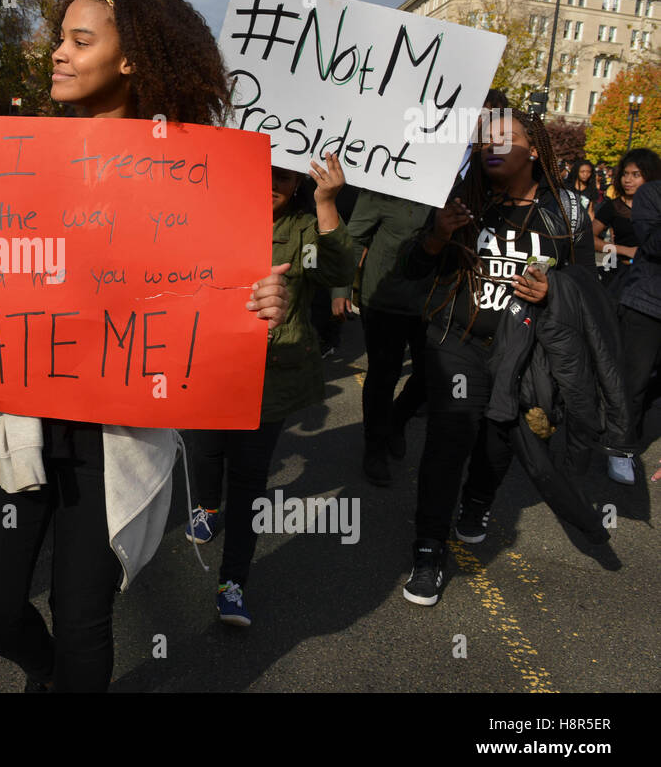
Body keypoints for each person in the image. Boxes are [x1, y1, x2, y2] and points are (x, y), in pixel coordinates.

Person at [0, 0, 290, 691]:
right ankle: (46, 673)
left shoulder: (192, 171)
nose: (57, 54)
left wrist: (257, 303)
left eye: (79, 39)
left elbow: (216, 284)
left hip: (115, 430)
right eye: (57, 40)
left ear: (130, 60)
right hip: (21, 417)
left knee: (84, 617)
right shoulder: (13, 161)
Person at [400, 109, 608, 607]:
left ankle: (478, 501)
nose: (490, 145)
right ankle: (428, 549)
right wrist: (437, 235)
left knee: (498, 443)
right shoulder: (463, 200)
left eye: (504, 137)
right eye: (483, 139)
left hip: (522, 353)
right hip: (458, 345)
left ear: (533, 149)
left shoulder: (571, 211)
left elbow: (585, 289)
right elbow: (411, 267)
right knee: (448, 442)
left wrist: (551, 289)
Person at [187, 156, 357, 625]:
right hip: (208, 367)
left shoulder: (303, 231)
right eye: (260, 171)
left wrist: (327, 204)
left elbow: (334, 267)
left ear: (297, 181)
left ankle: (232, 582)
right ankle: (205, 506)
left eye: (281, 175)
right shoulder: (206, 215)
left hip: (271, 375)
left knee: (248, 478)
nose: (270, 184)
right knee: (204, 451)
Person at [333, 188, 434, 485]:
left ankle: (397, 420)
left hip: (434, 303)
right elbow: (355, 238)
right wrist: (340, 289)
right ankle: (374, 448)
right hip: (385, 300)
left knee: (430, 375)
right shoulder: (385, 187)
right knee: (383, 377)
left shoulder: (456, 189)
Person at [606, 157, 661, 485]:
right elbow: (652, 243)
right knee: (634, 381)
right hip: (647, 304)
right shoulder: (651, 195)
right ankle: (620, 448)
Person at [593, 148, 661, 298]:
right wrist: (623, 250)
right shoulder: (613, 206)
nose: (627, 180)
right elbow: (589, 239)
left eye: (636, 175)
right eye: (625, 174)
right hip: (619, 274)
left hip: (652, 280)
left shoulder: (657, 207)